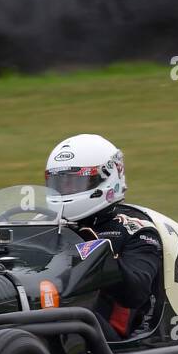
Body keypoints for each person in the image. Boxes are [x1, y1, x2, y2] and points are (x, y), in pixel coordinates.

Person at [44, 134, 162, 337]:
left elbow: (136, 292)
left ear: (107, 177)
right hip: (42, 314)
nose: (65, 190)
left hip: (103, 339)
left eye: (74, 182)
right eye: (59, 183)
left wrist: (99, 256)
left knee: (67, 318)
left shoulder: (136, 230)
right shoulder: (46, 226)